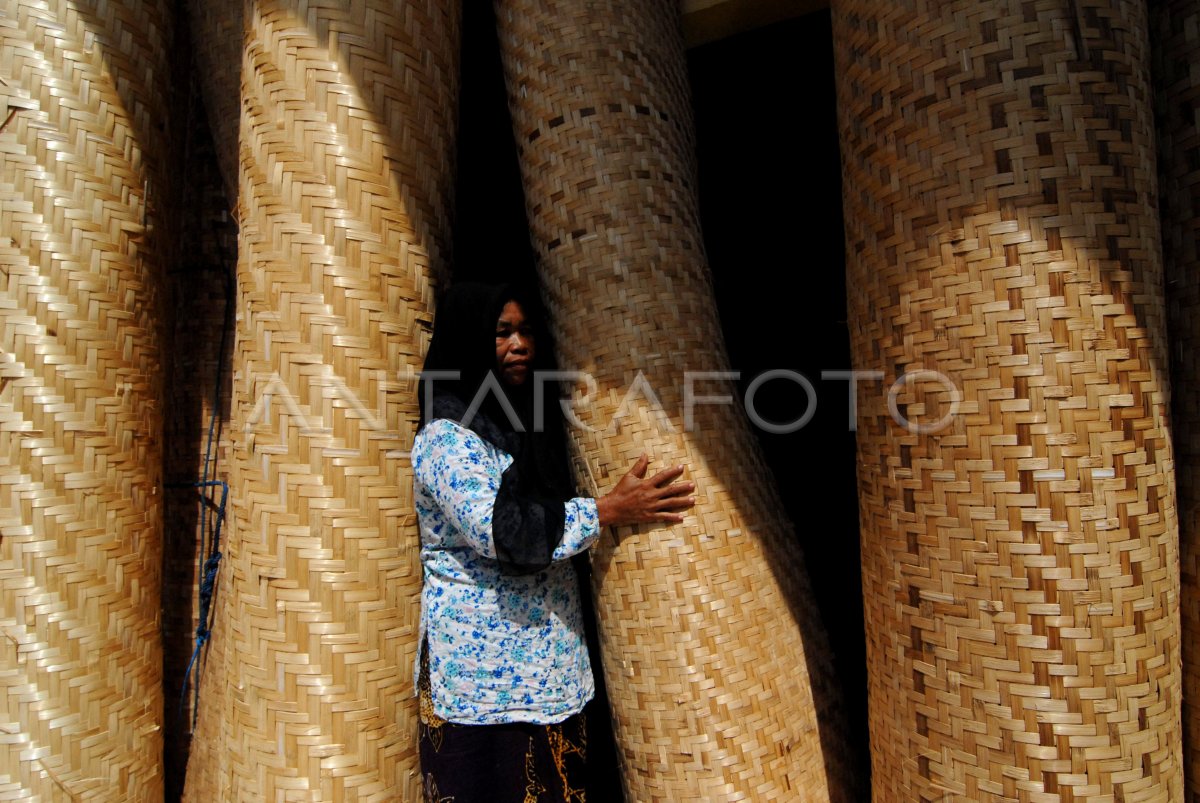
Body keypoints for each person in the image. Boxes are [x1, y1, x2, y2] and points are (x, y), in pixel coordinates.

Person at [412, 281, 695, 801]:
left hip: (552, 671)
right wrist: (608, 510)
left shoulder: (534, 421)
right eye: (501, 333)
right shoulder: (447, 437)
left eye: (525, 331)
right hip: (480, 688)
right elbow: (501, 530)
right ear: (471, 340)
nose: (518, 345)